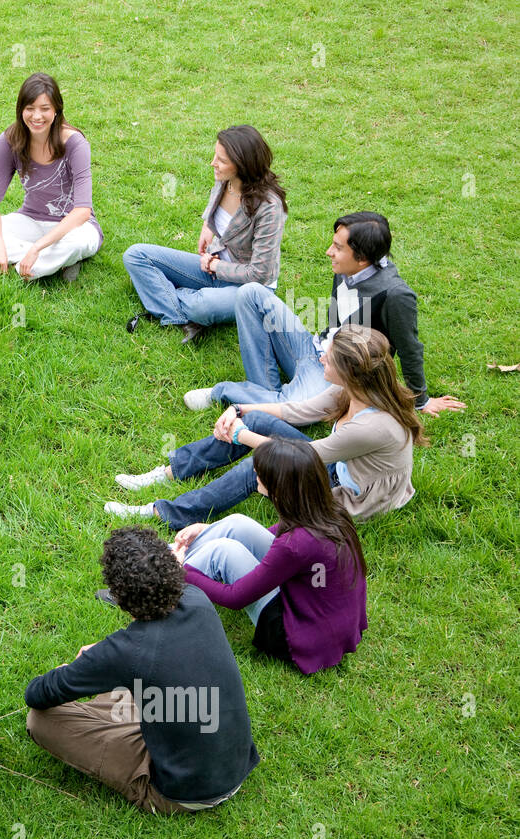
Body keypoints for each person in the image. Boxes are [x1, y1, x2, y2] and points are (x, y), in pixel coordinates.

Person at [24, 527, 259, 813]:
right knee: (132, 687)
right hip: (234, 763)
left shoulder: (127, 651)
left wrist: (73, 668)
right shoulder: (197, 599)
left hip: (184, 792)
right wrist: (105, 656)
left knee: (40, 721)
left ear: (119, 594)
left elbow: (37, 694)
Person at [106, 329, 430, 531]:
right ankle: (170, 472)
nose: (320, 360)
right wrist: (242, 410)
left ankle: (163, 513)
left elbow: (300, 455)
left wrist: (239, 435)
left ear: (350, 373)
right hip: (341, 463)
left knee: (258, 463)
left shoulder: (372, 427)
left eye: (328, 359)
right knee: (258, 423)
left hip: (352, 496)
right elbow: (297, 411)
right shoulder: (356, 389)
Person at [185, 212, 467, 416]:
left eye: (338, 248)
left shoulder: (395, 295)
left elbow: (410, 348)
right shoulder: (345, 268)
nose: (328, 252)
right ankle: (267, 393)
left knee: (292, 412)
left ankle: (225, 392)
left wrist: (421, 400)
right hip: (314, 349)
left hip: (338, 378)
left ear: (363, 258)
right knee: (250, 293)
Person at [174, 439, 368, 675]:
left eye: (260, 473)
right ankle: (165, 559)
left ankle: (163, 577)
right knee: (238, 524)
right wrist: (207, 530)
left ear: (279, 486)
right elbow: (269, 541)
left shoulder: (297, 544)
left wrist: (184, 572)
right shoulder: (324, 511)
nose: (255, 473)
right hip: (327, 619)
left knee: (224, 551)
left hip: (300, 637)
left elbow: (235, 597)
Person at [122, 125, 287, 344]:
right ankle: (182, 313)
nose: (213, 163)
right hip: (212, 268)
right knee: (136, 255)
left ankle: (169, 299)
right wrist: (207, 227)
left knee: (201, 305)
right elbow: (215, 209)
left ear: (243, 166)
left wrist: (215, 267)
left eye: (222, 160)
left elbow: (260, 273)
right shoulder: (225, 180)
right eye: (215, 156)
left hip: (249, 288)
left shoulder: (269, 207)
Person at [0, 73, 102, 282]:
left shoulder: (75, 143)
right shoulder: (9, 141)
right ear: (21, 110)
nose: (37, 116)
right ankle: (54, 261)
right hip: (31, 219)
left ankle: (33, 261)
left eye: (45, 109)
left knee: (76, 243)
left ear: (56, 110)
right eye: (30, 109)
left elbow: (82, 212)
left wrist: (37, 247)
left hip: (73, 227)